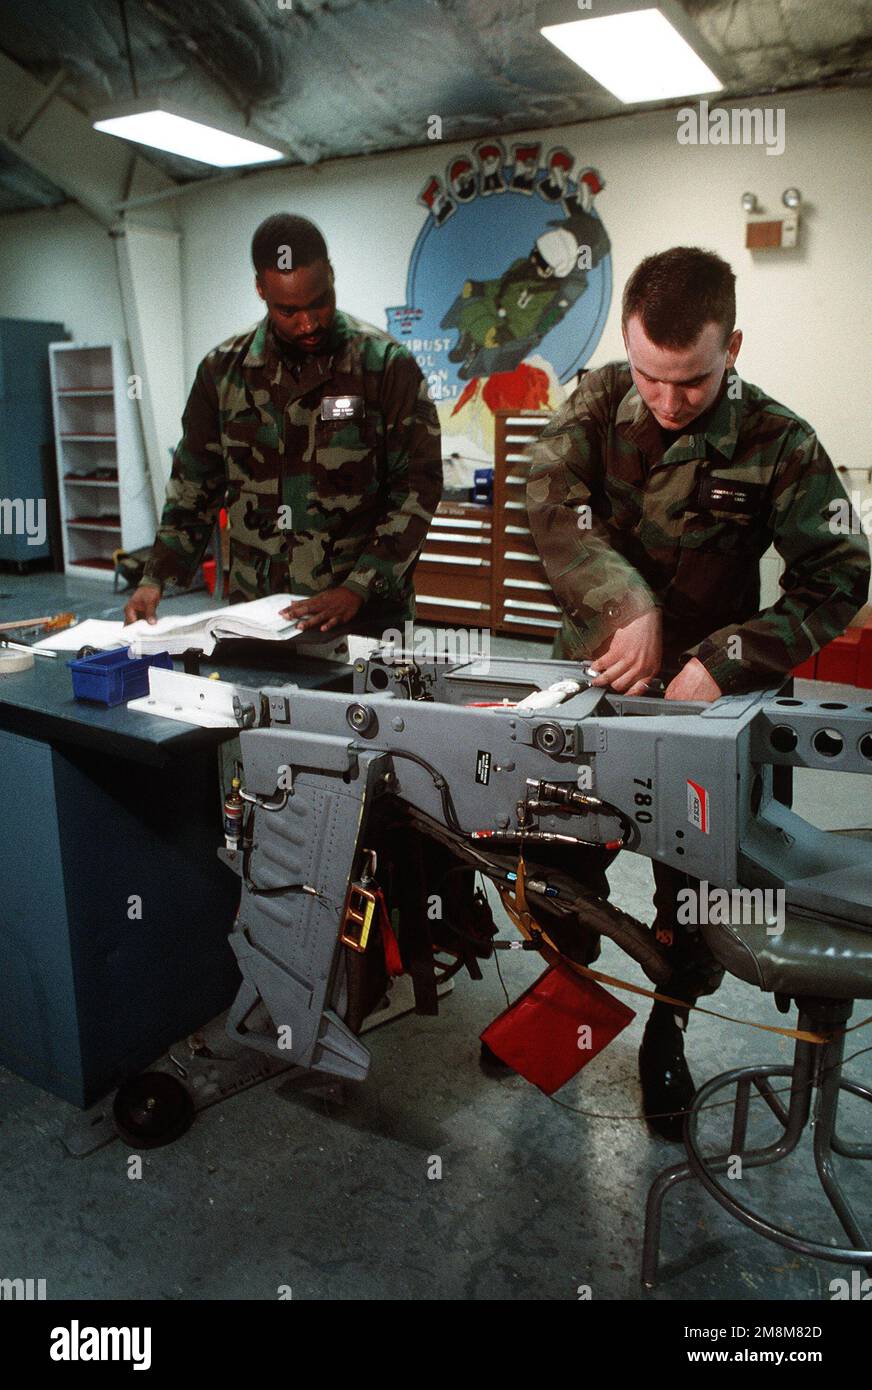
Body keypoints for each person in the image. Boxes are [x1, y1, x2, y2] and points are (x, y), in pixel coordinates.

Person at [526, 246, 871, 1139]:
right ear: (626, 349)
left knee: (699, 895)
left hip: (711, 709)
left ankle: (666, 1036)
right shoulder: (601, 400)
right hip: (598, 685)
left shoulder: (779, 440)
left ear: (734, 347)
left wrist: (726, 657)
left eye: (692, 381)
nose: (668, 401)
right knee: (550, 863)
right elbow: (549, 504)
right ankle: (566, 1000)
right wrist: (625, 601)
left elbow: (840, 574)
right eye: (650, 375)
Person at [124, 213, 442, 637]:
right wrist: (155, 577)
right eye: (288, 310)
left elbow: (417, 487)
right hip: (256, 614)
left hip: (363, 617)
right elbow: (194, 483)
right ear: (261, 289)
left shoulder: (384, 366)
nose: (308, 323)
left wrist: (359, 586)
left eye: (318, 302)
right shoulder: (223, 372)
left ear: (330, 275)